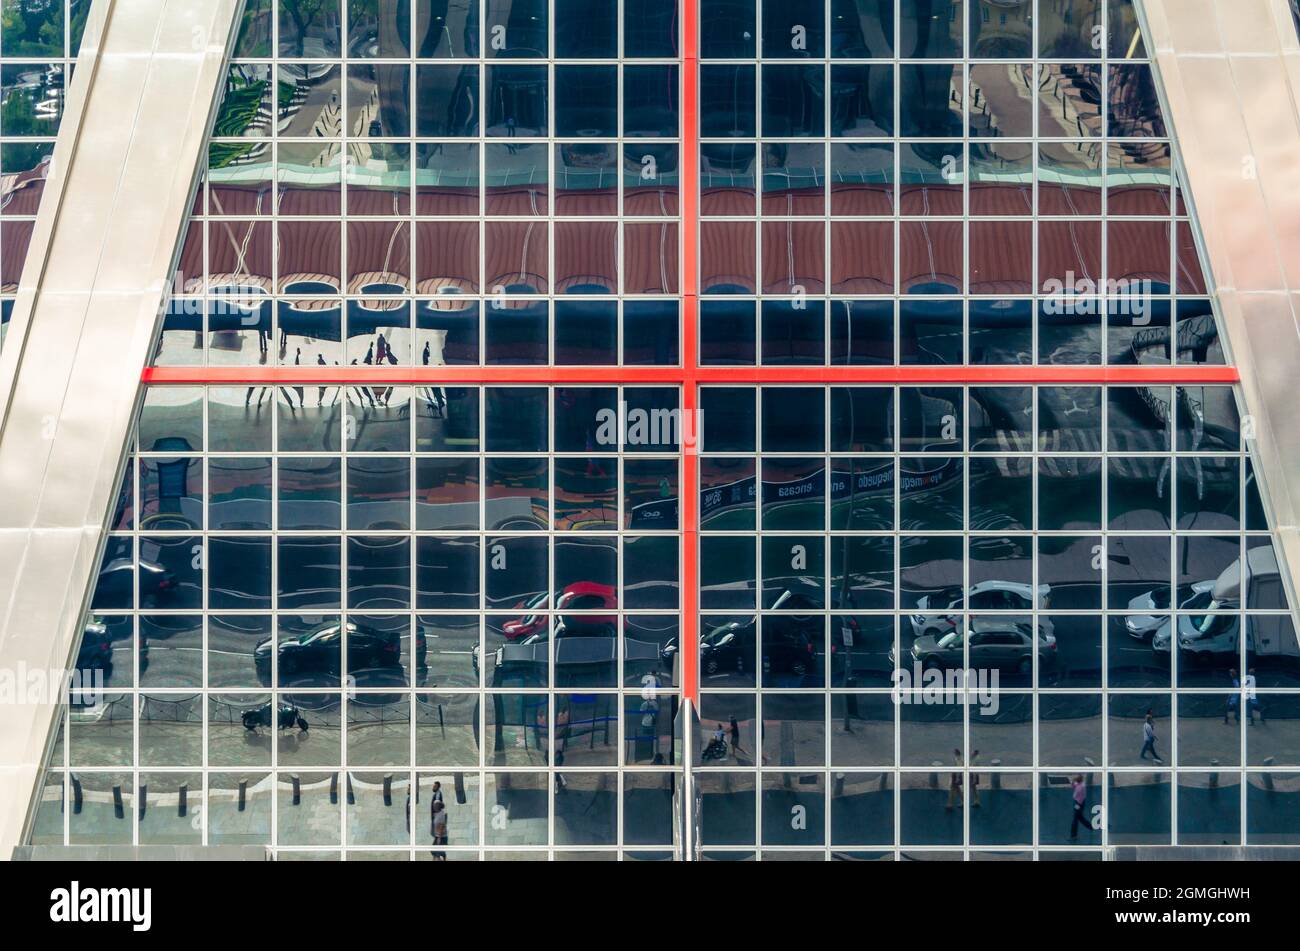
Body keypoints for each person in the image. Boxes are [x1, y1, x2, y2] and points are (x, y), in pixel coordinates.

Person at [1069, 775, 1092, 840]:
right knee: (1080, 818)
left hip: (1078, 804)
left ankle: (1073, 835)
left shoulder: (1081, 787)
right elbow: (1073, 786)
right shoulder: (1080, 784)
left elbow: (1081, 798)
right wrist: (1073, 782)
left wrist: (1077, 806)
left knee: (1075, 819)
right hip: (1077, 802)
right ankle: (1090, 826)